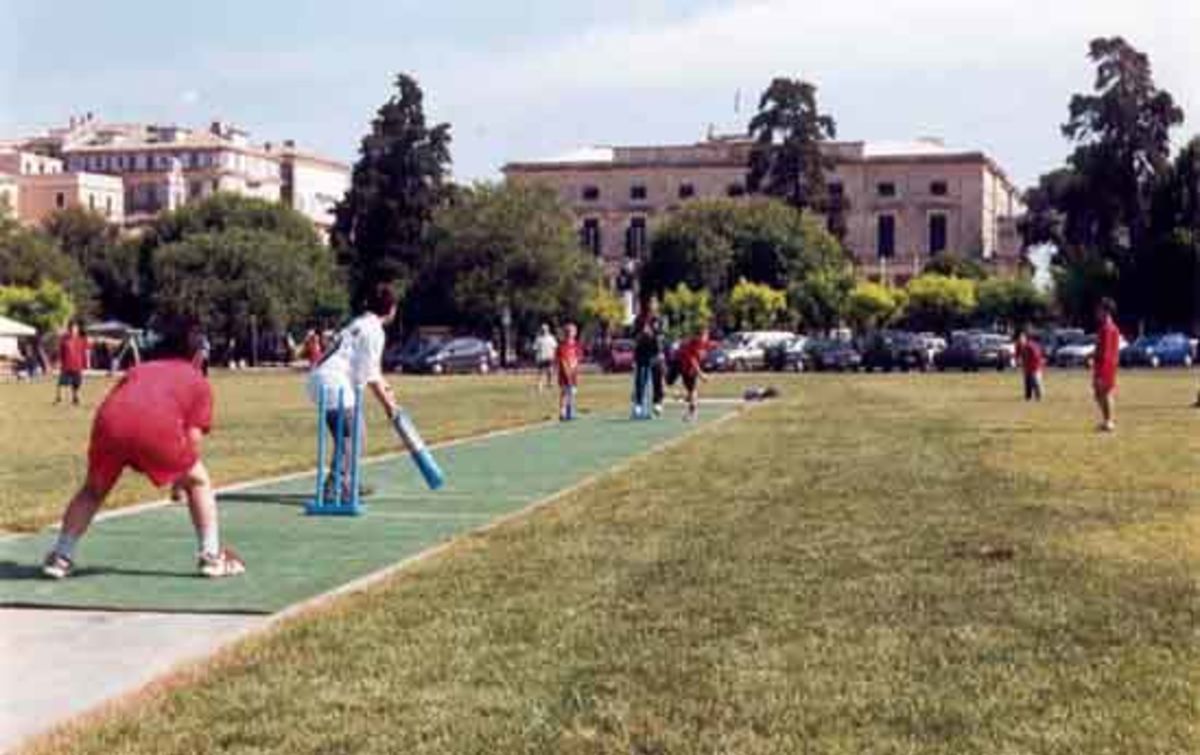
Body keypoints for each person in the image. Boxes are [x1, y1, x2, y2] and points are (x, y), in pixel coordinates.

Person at [41, 314, 245, 579]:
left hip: (109, 423)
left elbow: (122, 402)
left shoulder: (139, 369)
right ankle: (211, 556)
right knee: (199, 482)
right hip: (155, 426)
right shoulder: (197, 381)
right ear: (195, 353)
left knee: (92, 490)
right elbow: (193, 439)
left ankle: (61, 556)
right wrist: (180, 480)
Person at [306, 283, 401, 500]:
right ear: (391, 309)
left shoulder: (359, 323)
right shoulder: (374, 331)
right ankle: (335, 487)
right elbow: (371, 376)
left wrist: (387, 392)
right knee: (353, 434)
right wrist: (389, 407)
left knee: (349, 435)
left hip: (320, 379)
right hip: (334, 382)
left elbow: (371, 371)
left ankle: (346, 481)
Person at [1092, 298, 1121, 432]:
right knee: (1098, 394)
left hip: (1106, 366)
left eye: (1099, 309)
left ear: (1106, 311)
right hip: (1101, 364)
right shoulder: (1104, 327)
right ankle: (1106, 420)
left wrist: (1102, 371)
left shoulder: (1108, 328)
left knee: (1105, 393)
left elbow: (1107, 351)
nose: (1097, 312)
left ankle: (1109, 422)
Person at [676, 325, 713, 421]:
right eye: (704, 335)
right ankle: (692, 412)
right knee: (692, 391)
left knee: (692, 391)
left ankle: (692, 413)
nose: (706, 337)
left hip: (692, 369)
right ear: (699, 335)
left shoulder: (705, 344)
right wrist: (701, 374)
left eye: (706, 335)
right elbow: (693, 361)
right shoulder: (692, 344)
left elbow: (711, 347)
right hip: (687, 369)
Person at [55, 319, 89, 406]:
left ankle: (75, 398)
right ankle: (59, 398)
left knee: (77, 383)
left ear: (78, 328)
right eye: (72, 327)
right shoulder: (64, 339)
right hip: (66, 364)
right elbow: (61, 352)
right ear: (69, 328)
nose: (74, 329)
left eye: (75, 327)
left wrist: (86, 363)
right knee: (62, 383)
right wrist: (59, 361)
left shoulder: (82, 339)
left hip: (77, 364)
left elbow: (85, 351)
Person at [555, 322, 582, 421]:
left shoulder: (576, 345)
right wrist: (567, 371)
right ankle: (562, 412)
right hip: (564, 373)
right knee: (564, 392)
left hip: (573, 373)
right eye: (569, 331)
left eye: (573, 331)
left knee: (572, 392)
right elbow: (562, 360)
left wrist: (574, 367)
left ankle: (570, 411)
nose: (571, 333)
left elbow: (578, 357)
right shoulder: (562, 346)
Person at [1015, 330, 1044, 401]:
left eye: (1021, 338)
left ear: (1025, 338)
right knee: (1027, 381)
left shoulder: (1031, 346)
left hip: (1035, 365)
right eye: (1018, 339)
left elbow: (1037, 356)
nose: (1020, 340)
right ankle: (1028, 397)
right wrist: (1018, 362)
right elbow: (1017, 355)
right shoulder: (1019, 346)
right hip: (1027, 366)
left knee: (1035, 381)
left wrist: (1033, 367)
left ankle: (1038, 396)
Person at [533, 323, 558, 393]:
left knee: (550, 371)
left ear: (548, 330)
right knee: (540, 372)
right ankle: (540, 385)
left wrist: (554, 356)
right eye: (543, 329)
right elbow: (535, 348)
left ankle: (549, 383)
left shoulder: (551, 338)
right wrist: (536, 357)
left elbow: (555, 347)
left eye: (545, 329)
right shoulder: (538, 338)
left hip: (549, 357)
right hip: (541, 358)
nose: (544, 331)